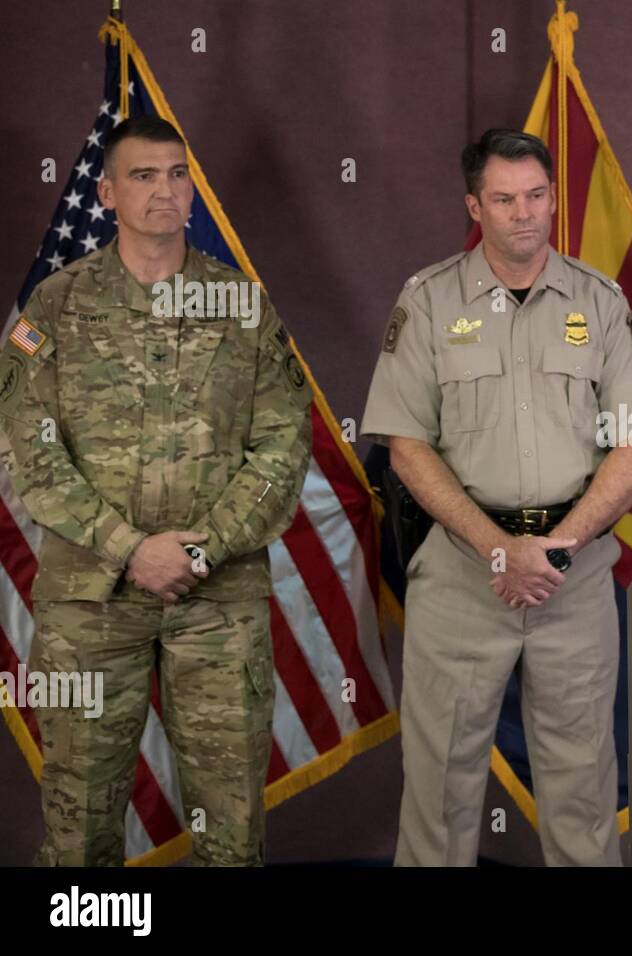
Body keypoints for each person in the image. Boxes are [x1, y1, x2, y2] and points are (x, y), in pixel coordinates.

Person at [0, 115, 313, 865]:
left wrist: (204, 548)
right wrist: (129, 549)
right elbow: (31, 454)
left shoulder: (242, 306)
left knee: (232, 830)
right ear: (105, 192)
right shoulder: (56, 308)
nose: (164, 191)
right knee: (79, 825)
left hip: (218, 600)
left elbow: (282, 443)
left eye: (177, 174)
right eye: (143, 176)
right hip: (90, 603)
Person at [360, 129, 632, 866]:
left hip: (575, 568)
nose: (524, 213)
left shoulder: (600, 302)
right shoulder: (428, 302)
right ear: (475, 205)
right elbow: (406, 446)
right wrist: (499, 548)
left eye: (536, 195)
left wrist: (558, 545)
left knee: (586, 784)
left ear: (555, 198)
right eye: (503, 199)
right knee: (439, 788)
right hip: (466, 572)